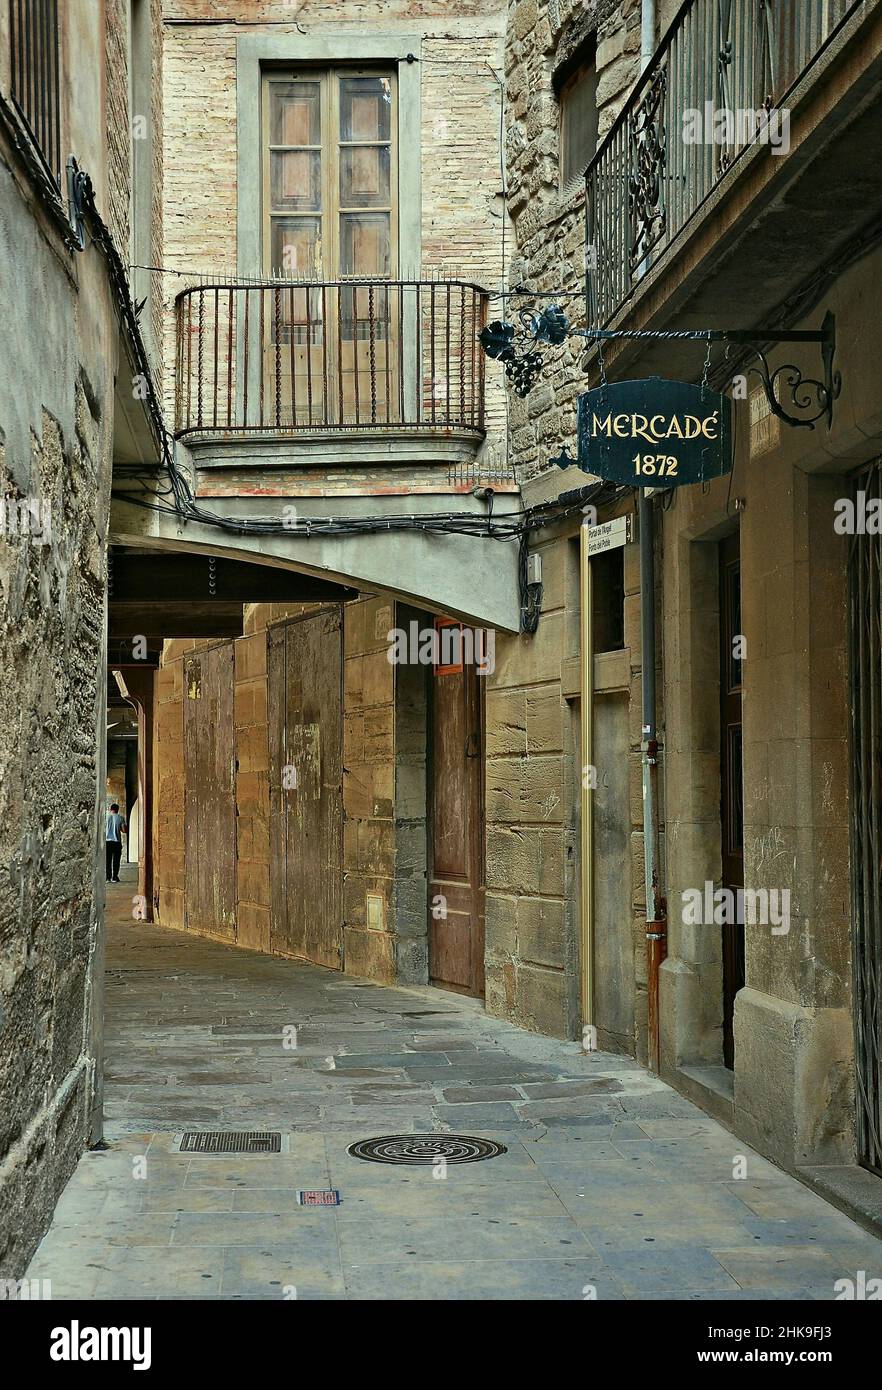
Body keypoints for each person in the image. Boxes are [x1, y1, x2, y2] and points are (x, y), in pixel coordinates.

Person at [105, 803, 126, 883]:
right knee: (116, 860)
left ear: (110, 809)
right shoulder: (120, 818)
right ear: (118, 809)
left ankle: (107, 878)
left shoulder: (106, 818)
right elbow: (124, 830)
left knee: (108, 860)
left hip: (107, 842)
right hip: (116, 842)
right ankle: (114, 877)